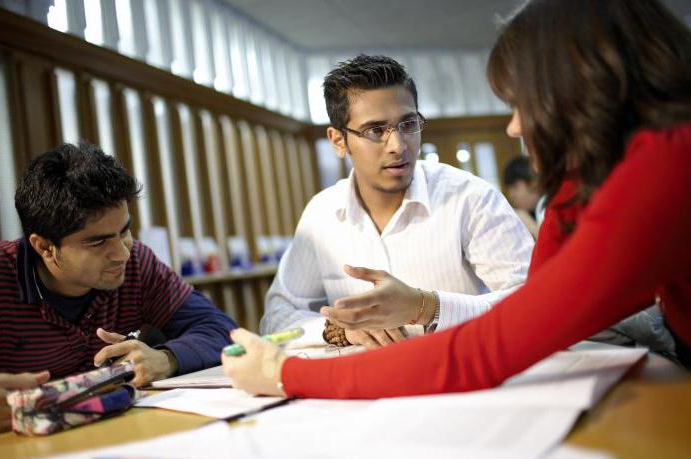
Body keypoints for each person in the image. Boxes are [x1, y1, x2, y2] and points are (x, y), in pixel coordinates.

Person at [222, 0, 691, 398]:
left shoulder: (663, 170)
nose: (515, 126)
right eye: (375, 130)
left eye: (520, 103)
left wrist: (285, 374)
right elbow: (537, 298)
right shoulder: (626, 167)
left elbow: (501, 335)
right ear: (338, 140)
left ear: (579, 93)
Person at [261, 54, 533, 348]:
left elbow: (534, 303)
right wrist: (336, 330)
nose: (398, 146)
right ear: (338, 141)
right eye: (375, 131)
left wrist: (427, 306)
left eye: (408, 124)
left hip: (462, 377)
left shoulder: (470, 197)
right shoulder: (322, 214)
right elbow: (276, 317)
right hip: (363, 384)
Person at [0, 143, 237, 432]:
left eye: (125, 231)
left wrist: (166, 358)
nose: (121, 252)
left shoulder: (136, 264)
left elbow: (221, 329)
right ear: (44, 247)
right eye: (97, 242)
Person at [502, 155, 540, 238]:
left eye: (515, 186)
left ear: (534, 182)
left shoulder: (553, 206)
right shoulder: (527, 213)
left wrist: (532, 226)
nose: (511, 194)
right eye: (508, 189)